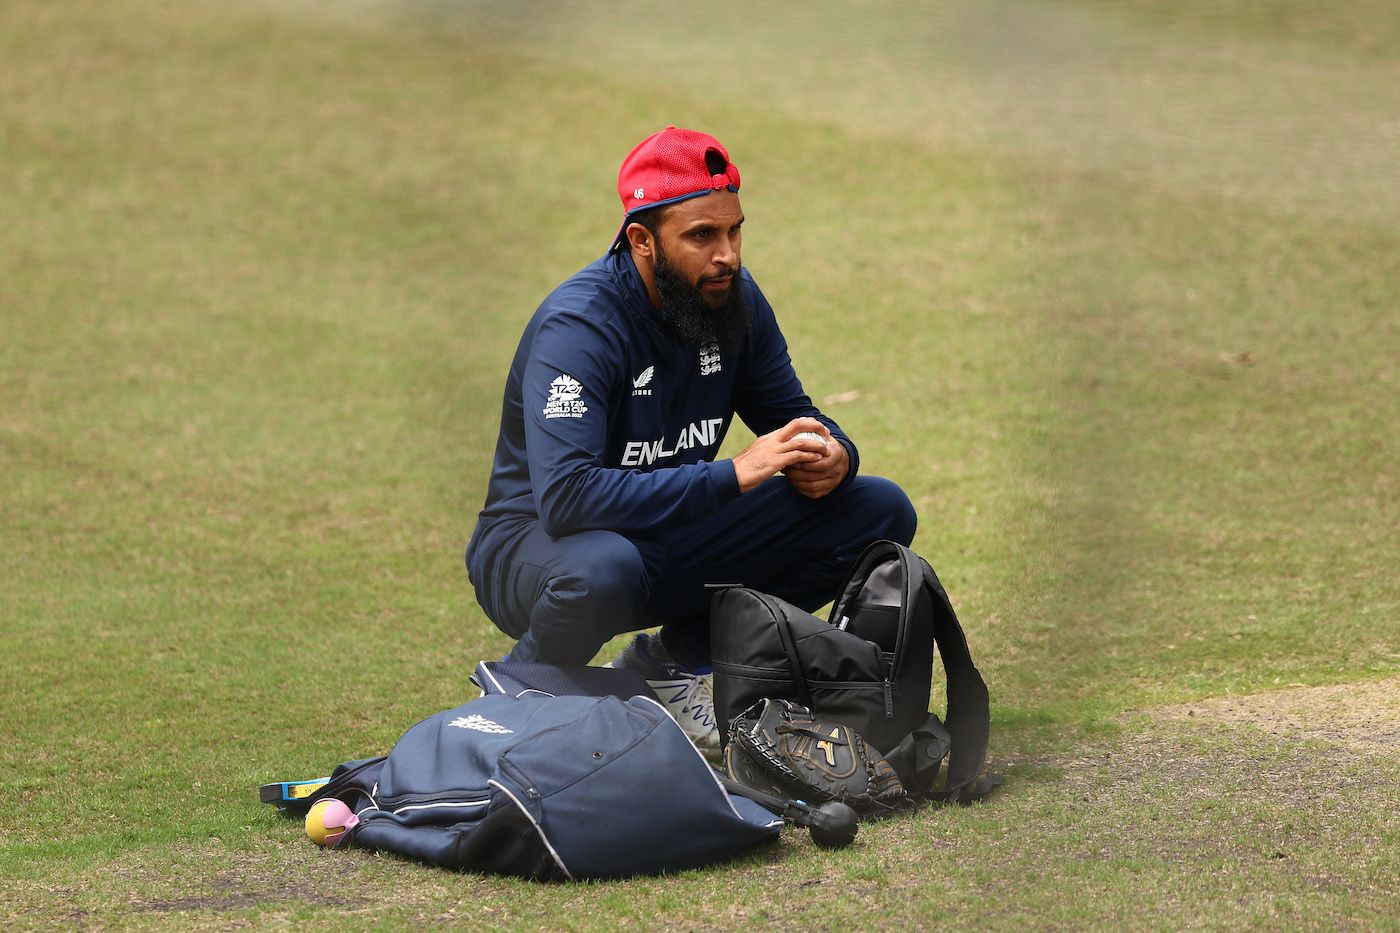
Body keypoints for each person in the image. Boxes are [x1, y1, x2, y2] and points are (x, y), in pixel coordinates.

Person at [466, 126, 916, 758]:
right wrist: (735, 473)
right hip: (535, 551)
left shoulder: (733, 299)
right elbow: (567, 500)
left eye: (734, 231)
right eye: (702, 235)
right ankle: (521, 697)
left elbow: (795, 417)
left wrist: (834, 455)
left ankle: (671, 666)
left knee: (876, 511)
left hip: (667, 531)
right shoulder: (581, 325)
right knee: (605, 566)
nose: (727, 254)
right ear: (641, 240)